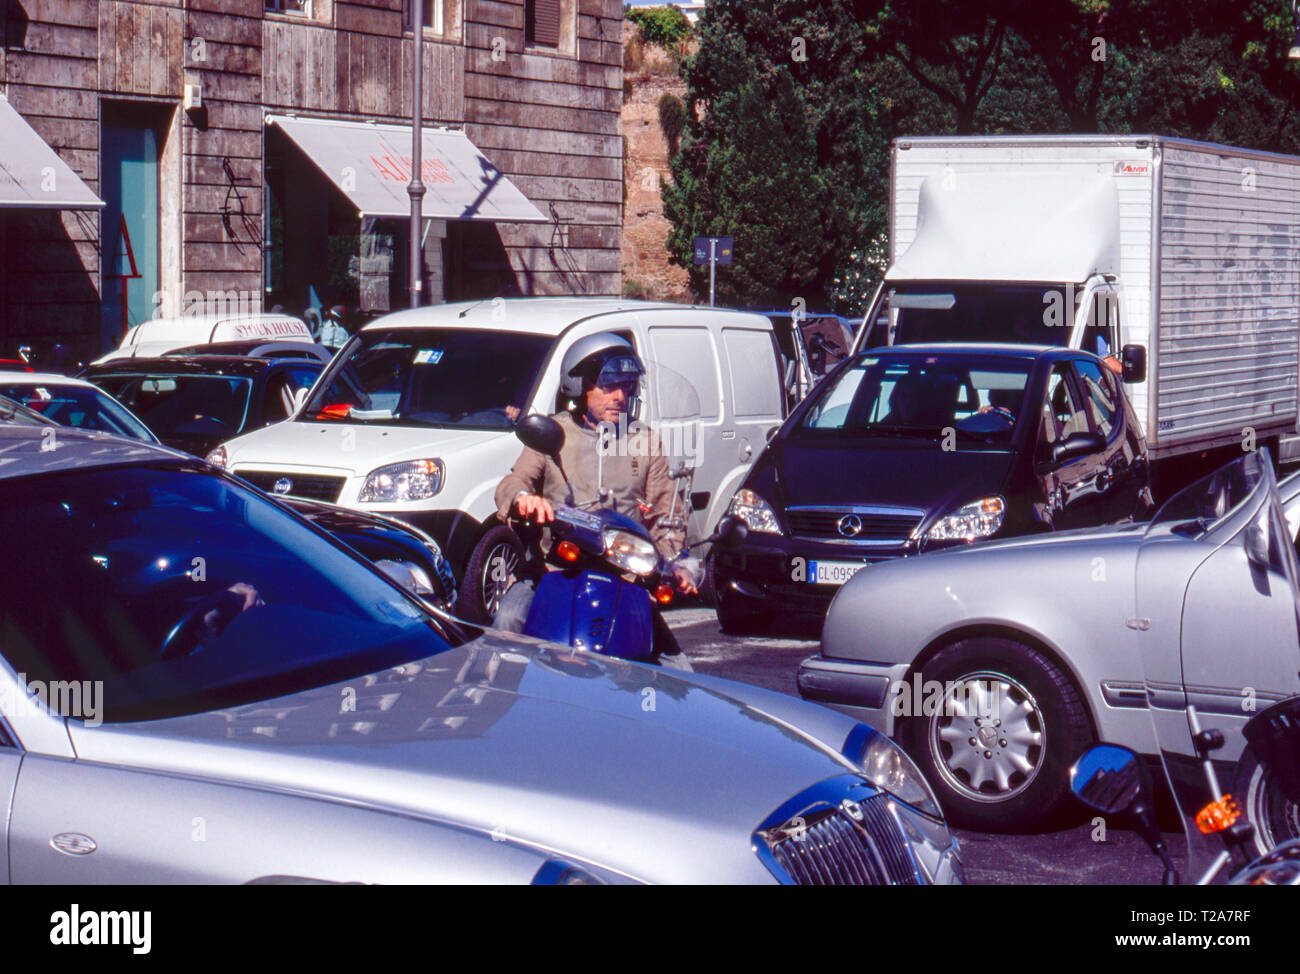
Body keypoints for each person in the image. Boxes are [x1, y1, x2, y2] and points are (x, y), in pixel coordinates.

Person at [492, 333, 694, 665]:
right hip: (554, 569)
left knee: (680, 672)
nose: (619, 396)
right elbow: (513, 481)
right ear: (580, 385)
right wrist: (523, 498)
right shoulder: (553, 434)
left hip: (625, 580)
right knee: (506, 627)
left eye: (626, 387)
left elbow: (665, 513)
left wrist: (675, 564)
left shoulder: (644, 441)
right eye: (608, 386)